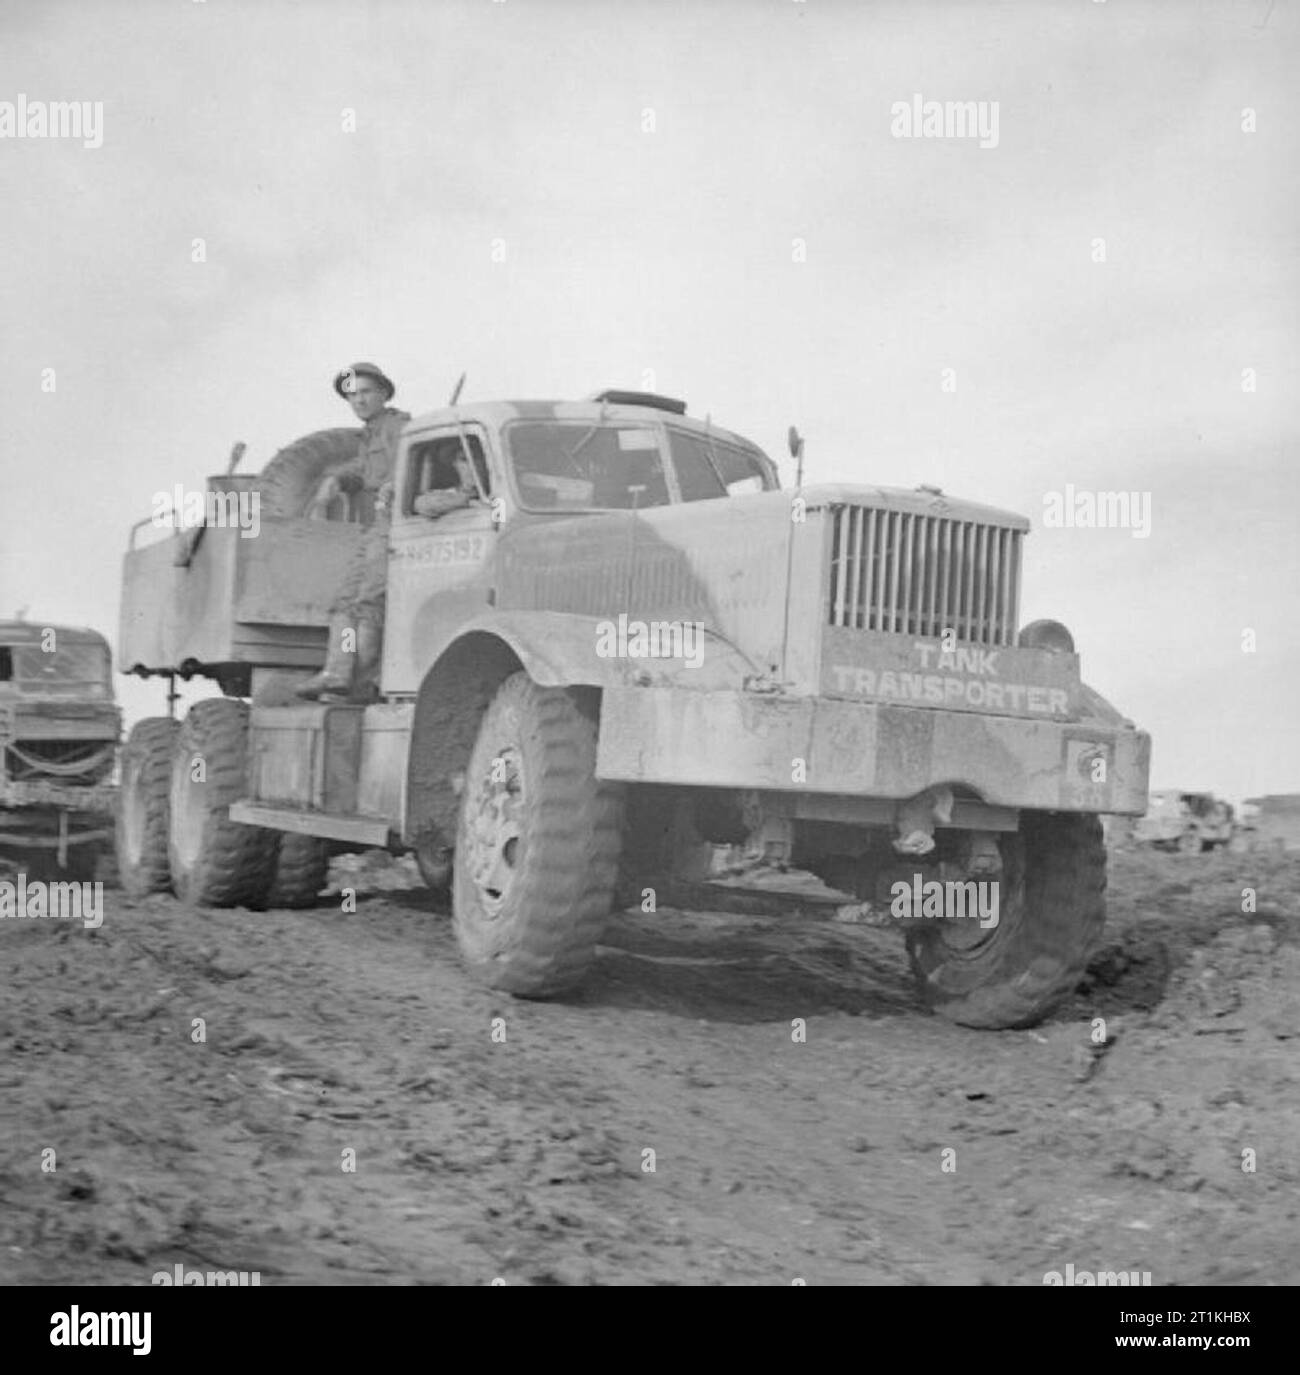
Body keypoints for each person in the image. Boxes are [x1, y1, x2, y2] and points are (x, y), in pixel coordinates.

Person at [296, 362, 409, 701]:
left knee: (368, 605)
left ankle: (359, 678)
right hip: (377, 527)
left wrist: (392, 485)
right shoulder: (371, 434)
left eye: (365, 393)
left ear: (383, 394)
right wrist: (336, 479)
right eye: (352, 395)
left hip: (396, 524)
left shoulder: (397, 427)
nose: (358, 401)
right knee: (346, 605)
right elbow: (364, 469)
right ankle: (339, 672)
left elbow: (408, 464)